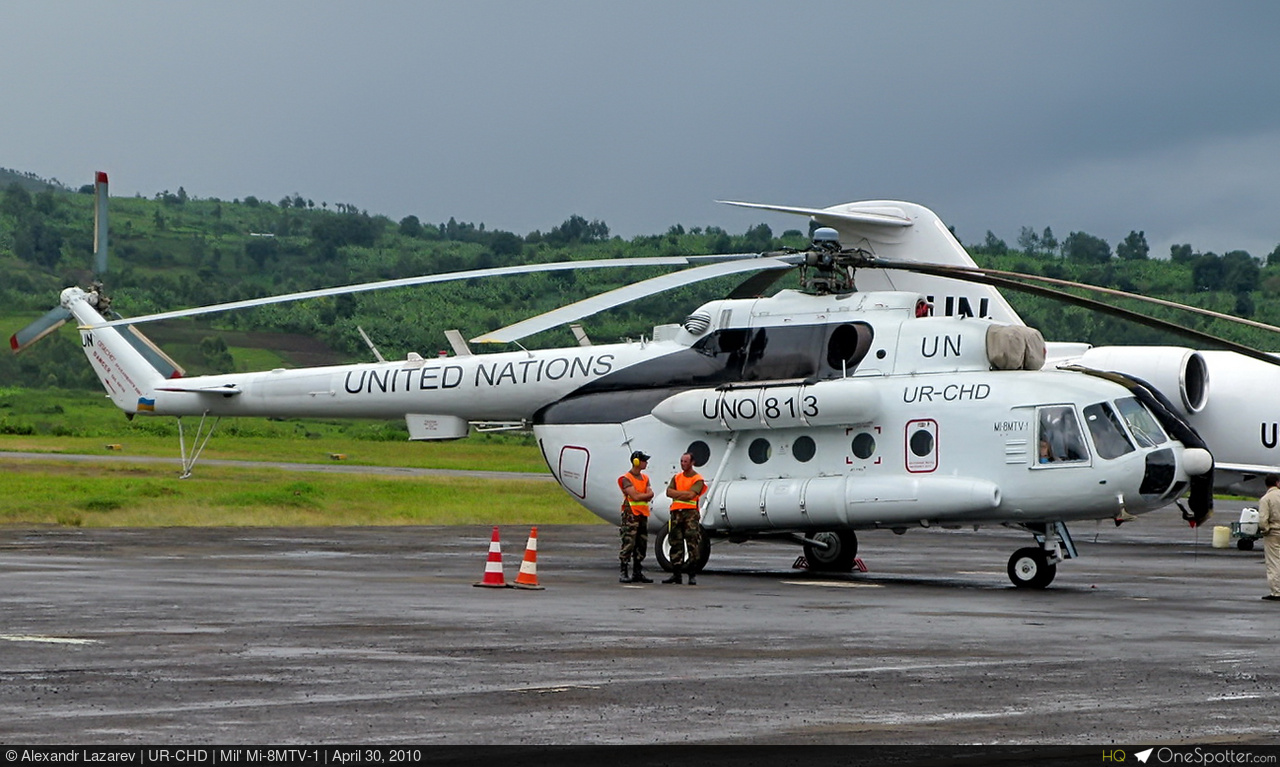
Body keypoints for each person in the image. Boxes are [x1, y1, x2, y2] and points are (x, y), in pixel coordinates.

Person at [663, 452, 707, 585]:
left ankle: (692, 574)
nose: (683, 464)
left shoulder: (697, 479)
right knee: (675, 542)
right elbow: (668, 492)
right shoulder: (676, 477)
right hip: (676, 513)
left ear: (692, 462)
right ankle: (676, 574)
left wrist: (677, 494)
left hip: (690, 514)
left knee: (692, 542)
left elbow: (692, 495)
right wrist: (683, 494)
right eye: (682, 461)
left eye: (686, 461)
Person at [618, 450, 655, 583]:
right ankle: (624, 571)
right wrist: (645, 496)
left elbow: (650, 493)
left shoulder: (645, 478)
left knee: (641, 544)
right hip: (631, 514)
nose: (646, 463)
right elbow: (636, 496)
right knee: (629, 542)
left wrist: (644, 495)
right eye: (644, 460)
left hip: (642, 514)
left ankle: (637, 571)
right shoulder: (627, 479)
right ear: (636, 462)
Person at [1258, 473, 1280, 601]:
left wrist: (1265, 530)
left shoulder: (1266, 499)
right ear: (1277, 483)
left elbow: (1262, 520)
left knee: (1274, 563)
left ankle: (1277, 592)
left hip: (1274, 533)